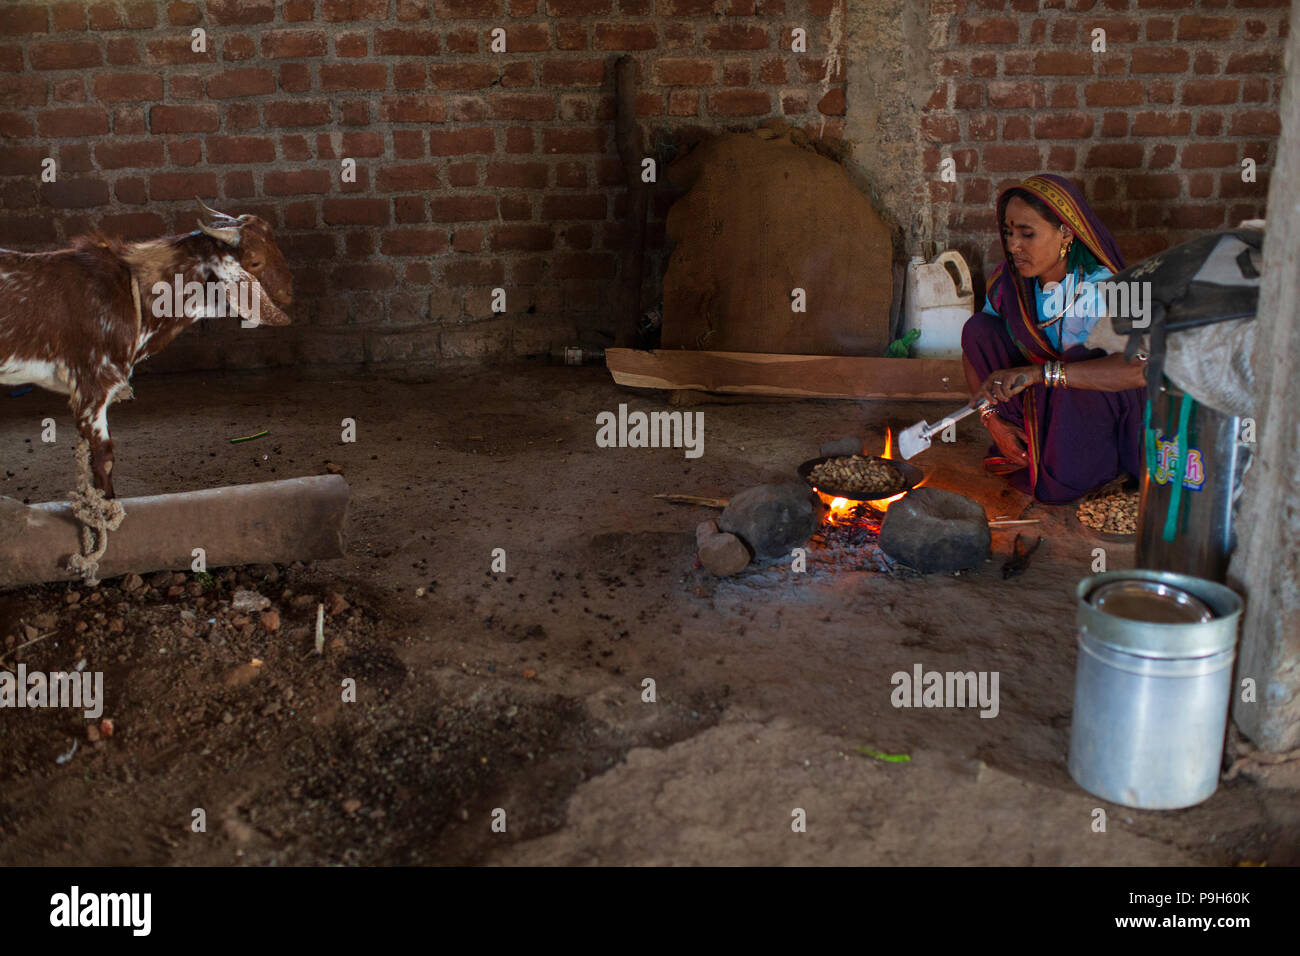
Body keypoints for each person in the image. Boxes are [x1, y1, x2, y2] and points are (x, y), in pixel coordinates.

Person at [961, 174, 1148, 504]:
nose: (1013, 246)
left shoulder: (1120, 286)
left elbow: (1140, 370)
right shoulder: (1009, 282)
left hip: (1093, 411)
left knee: (1079, 359)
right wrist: (992, 421)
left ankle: (1091, 467)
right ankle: (1026, 445)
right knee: (978, 328)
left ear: (1066, 232)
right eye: (1008, 233)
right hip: (1041, 406)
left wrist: (1042, 374)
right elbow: (974, 346)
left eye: (1027, 235)